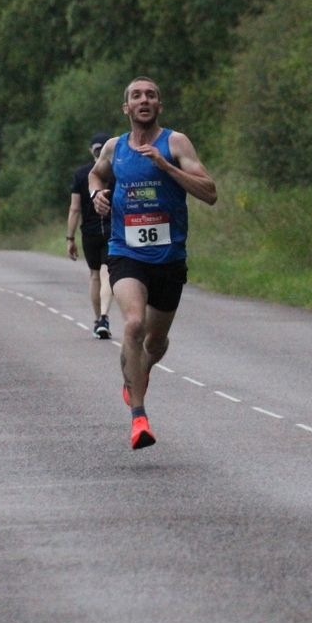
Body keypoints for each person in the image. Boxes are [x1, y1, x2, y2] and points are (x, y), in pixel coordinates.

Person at [87, 77, 217, 449]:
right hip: (126, 252)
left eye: (151, 95)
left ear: (159, 106)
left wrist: (166, 167)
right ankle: (139, 418)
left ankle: (137, 374)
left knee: (156, 342)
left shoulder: (175, 143)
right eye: (136, 96)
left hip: (169, 258)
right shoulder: (114, 148)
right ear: (126, 108)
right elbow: (97, 172)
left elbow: (210, 192)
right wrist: (97, 193)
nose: (144, 100)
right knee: (133, 324)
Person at [67, 132, 114, 338]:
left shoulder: (81, 174)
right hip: (113, 228)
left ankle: (98, 320)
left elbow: (74, 208)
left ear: (91, 150)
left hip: (89, 232)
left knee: (95, 275)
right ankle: (104, 315)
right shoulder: (116, 172)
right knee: (107, 273)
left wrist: (70, 238)